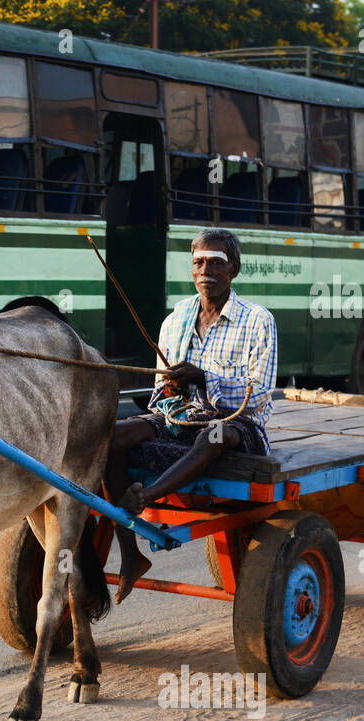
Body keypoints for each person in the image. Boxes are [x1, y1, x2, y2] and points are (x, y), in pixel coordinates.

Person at [104, 228, 277, 603]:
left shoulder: (258, 320)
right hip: (179, 417)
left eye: (215, 264)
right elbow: (158, 395)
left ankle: (144, 496)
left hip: (236, 422)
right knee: (113, 437)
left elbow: (259, 394)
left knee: (214, 436)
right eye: (198, 263)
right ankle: (132, 555)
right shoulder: (176, 318)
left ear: (234, 269)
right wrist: (170, 389)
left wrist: (205, 379)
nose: (205, 272)